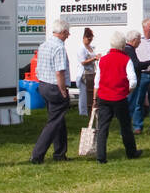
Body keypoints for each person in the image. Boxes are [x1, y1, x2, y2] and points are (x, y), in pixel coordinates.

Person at [94, 30, 143, 163]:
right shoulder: (126, 59)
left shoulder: (102, 60)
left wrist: (94, 99)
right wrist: (128, 91)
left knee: (103, 127)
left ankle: (101, 156)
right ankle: (131, 152)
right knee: (125, 126)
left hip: (104, 97)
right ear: (122, 45)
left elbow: (97, 81)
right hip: (119, 97)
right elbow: (133, 81)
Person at [30, 19, 72, 164]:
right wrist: (63, 90)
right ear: (63, 32)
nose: (68, 35)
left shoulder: (44, 45)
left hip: (43, 85)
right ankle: (37, 154)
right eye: (67, 33)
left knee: (59, 120)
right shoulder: (59, 47)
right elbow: (59, 72)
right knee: (54, 122)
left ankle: (60, 152)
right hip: (55, 86)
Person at [132, 18, 150, 132]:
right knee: (138, 101)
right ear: (144, 27)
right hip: (141, 74)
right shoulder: (138, 41)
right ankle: (137, 126)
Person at [76, 27, 99, 116]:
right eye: (88, 39)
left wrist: (96, 57)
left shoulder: (90, 47)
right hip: (83, 74)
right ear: (84, 37)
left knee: (90, 92)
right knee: (83, 94)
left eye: (91, 39)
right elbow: (83, 62)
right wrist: (94, 58)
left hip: (91, 72)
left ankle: (90, 110)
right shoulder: (81, 48)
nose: (89, 41)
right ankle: (83, 112)